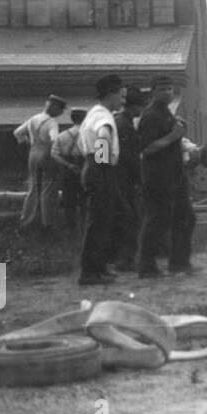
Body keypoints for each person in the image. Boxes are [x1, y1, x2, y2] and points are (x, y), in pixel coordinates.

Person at [136, 74, 196, 277]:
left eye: (170, 89)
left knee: (185, 218)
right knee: (156, 221)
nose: (168, 93)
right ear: (152, 92)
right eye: (162, 89)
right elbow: (147, 149)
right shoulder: (151, 115)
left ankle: (179, 263)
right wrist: (174, 135)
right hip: (158, 177)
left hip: (174, 176)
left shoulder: (165, 113)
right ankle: (146, 266)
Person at [78, 74, 126, 286]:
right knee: (98, 222)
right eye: (121, 96)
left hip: (91, 165)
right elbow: (104, 137)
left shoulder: (92, 114)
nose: (123, 101)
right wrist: (104, 164)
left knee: (102, 221)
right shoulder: (104, 117)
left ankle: (99, 267)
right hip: (100, 168)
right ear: (110, 95)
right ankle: (89, 273)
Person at [13, 94, 66, 236]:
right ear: (54, 108)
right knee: (48, 189)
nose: (61, 113)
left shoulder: (33, 119)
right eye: (60, 110)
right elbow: (55, 139)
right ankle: (47, 223)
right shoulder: (51, 122)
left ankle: (25, 221)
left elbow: (17, 133)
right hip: (46, 155)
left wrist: (29, 144)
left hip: (33, 154)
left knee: (33, 188)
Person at [111, 87, 146, 270]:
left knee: (124, 218)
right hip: (124, 178)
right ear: (135, 107)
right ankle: (124, 261)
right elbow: (129, 157)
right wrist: (139, 179)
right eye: (141, 106)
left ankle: (122, 259)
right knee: (129, 219)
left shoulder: (120, 121)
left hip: (118, 177)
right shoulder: (124, 125)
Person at [52, 108, 88, 239]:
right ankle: (85, 230)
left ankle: (71, 232)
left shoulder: (62, 135)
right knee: (86, 201)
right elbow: (100, 155)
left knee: (69, 201)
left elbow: (54, 154)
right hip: (86, 167)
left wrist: (68, 165)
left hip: (68, 170)